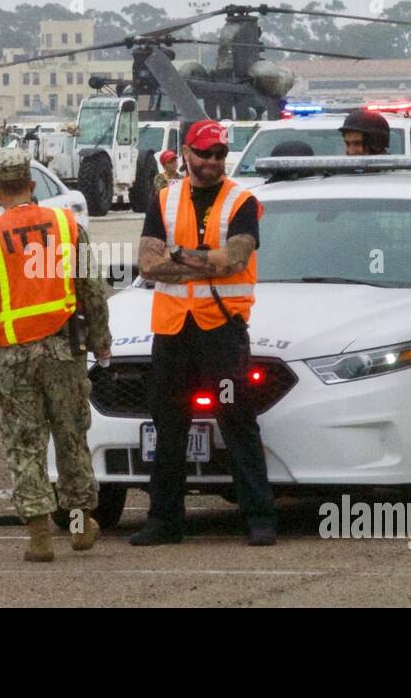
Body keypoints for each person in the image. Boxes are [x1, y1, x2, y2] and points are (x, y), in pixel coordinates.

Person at [0, 149, 112, 562]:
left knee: (24, 444)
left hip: (12, 355)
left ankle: (39, 535)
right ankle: (80, 528)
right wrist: (101, 340)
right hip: (64, 351)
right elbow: (92, 289)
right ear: (32, 184)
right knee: (71, 436)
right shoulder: (67, 226)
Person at [131, 120, 277, 547]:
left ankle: (260, 518)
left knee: (237, 420)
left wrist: (178, 254)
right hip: (173, 331)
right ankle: (164, 521)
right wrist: (202, 260)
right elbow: (147, 264)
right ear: (187, 153)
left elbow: (235, 259)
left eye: (219, 155)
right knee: (169, 424)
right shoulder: (164, 198)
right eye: (204, 154)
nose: (213, 162)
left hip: (222, 333)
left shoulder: (242, 201)